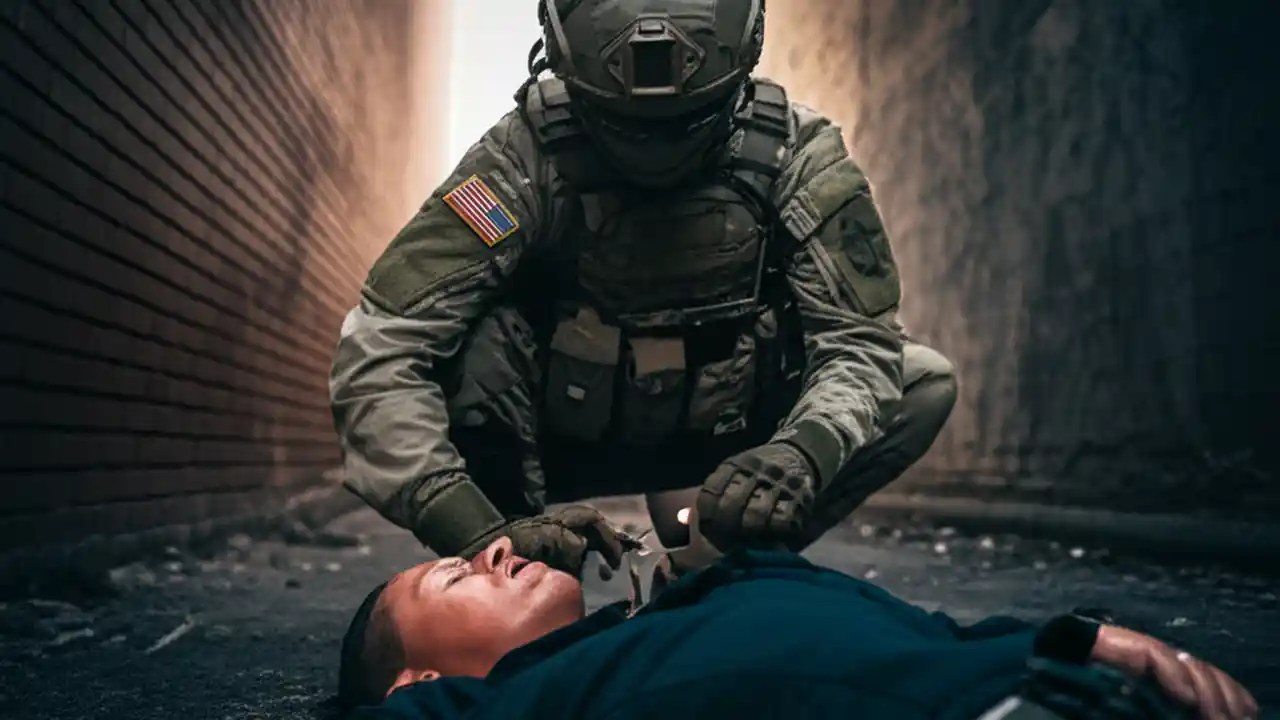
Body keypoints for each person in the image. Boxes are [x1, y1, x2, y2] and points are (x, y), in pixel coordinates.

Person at [330, 0, 958, 576]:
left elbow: (859, 341)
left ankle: (716, 563)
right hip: (556, 449)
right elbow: (384, 347)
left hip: (730, 447)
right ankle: (520, 574)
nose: (656, 153)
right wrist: (475, 530)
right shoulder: (524, 160)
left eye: (687, 125)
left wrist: (802, 453)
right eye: (623, 127)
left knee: (917, 384)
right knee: (468, 346)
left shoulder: (796, 153)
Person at [336, 537, 1259, 719]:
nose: (494, 547)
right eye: (454, 571)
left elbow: (917, 633)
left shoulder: (640, 628)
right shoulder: (510, 702)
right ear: (422, 681)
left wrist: (1063, 636)